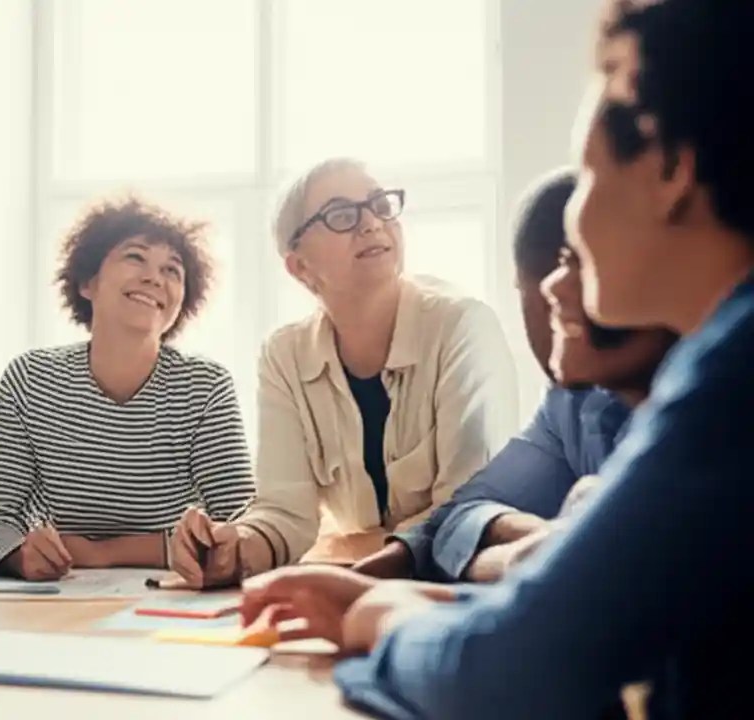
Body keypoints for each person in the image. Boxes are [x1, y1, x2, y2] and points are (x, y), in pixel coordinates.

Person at [242, 1, 754, 716]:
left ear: (668, 167)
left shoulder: (729, 388)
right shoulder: (712, 368)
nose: (569, 226)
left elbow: (514, 670)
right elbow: (510, 573)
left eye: (586, 175)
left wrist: (379, 618)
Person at [170, 158, 517, 587]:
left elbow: (468, 510)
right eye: (340, 214)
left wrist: (356, 552)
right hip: (362, 583)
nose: (371, 223)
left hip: (457, 588)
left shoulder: (464, 326)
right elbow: (285, 513)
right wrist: (235, 548)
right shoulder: (284, 355)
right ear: (300, 267)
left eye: (379, 204)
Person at [353, 169, 677, 582]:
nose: (558, 292)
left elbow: (607, 577)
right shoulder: (566, 404)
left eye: (575, 269)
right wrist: (526, 539)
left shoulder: (690, 408)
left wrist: (531, 554)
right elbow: (461, 514)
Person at [0, 197, 255, 579]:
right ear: (88, 282)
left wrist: (100, 553)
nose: (154, 278)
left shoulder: (205, 387)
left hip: (172, 596)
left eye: (172, 270)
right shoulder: (30, 379)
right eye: (135, 257)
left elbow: (240, 526)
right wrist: (20, 557)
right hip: (55, 596)